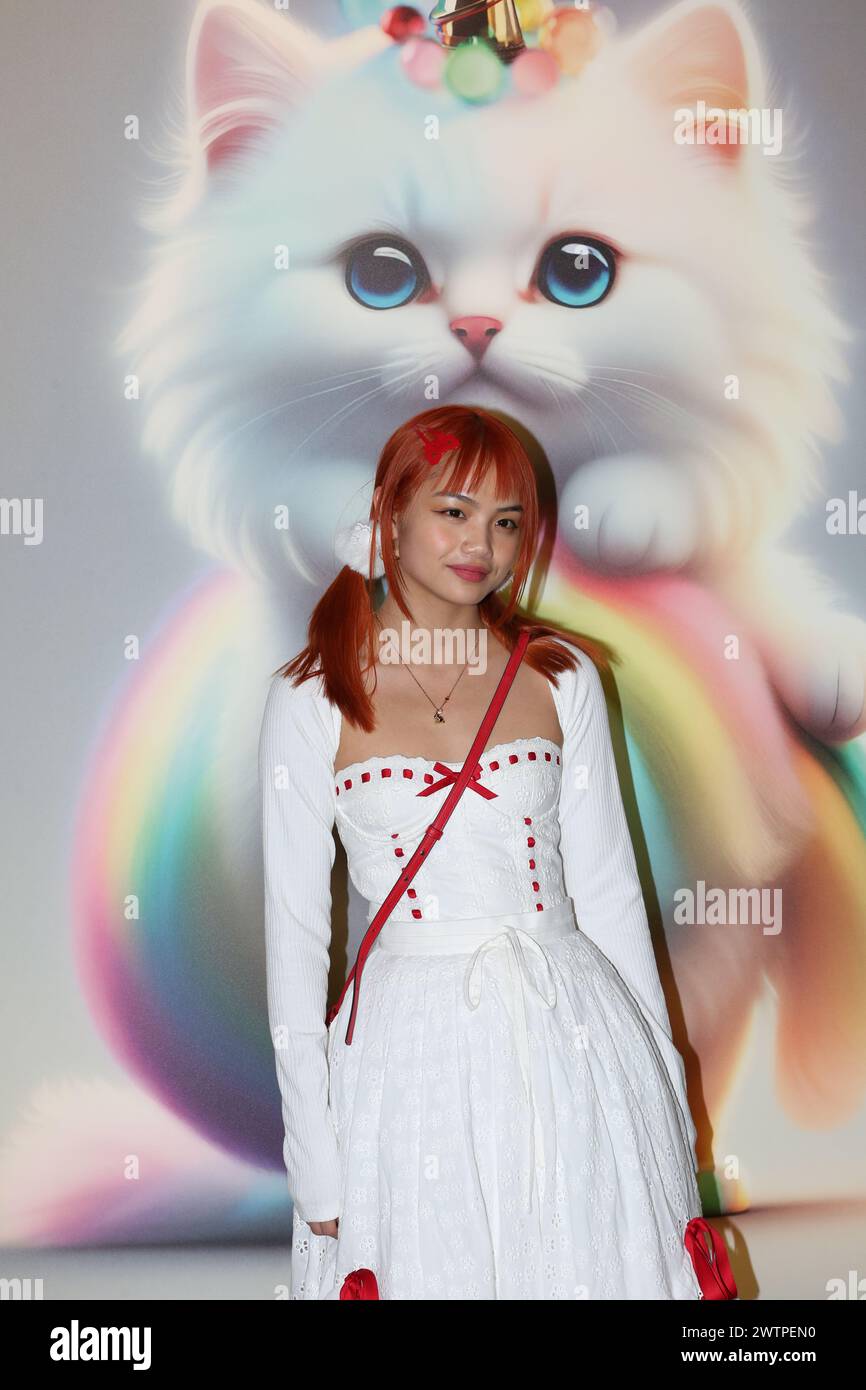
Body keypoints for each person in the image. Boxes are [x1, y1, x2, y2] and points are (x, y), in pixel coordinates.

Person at [259, 405, 704, 1300]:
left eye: (507, 521)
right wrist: (313, 1153)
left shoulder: (562, 675)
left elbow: (612, 898)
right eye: (453, 511)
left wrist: (666, 1097)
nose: (482, 543)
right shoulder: (310, 697)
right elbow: (296, 937)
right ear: (391, 516)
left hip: (570, 1040)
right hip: (405, 1060)